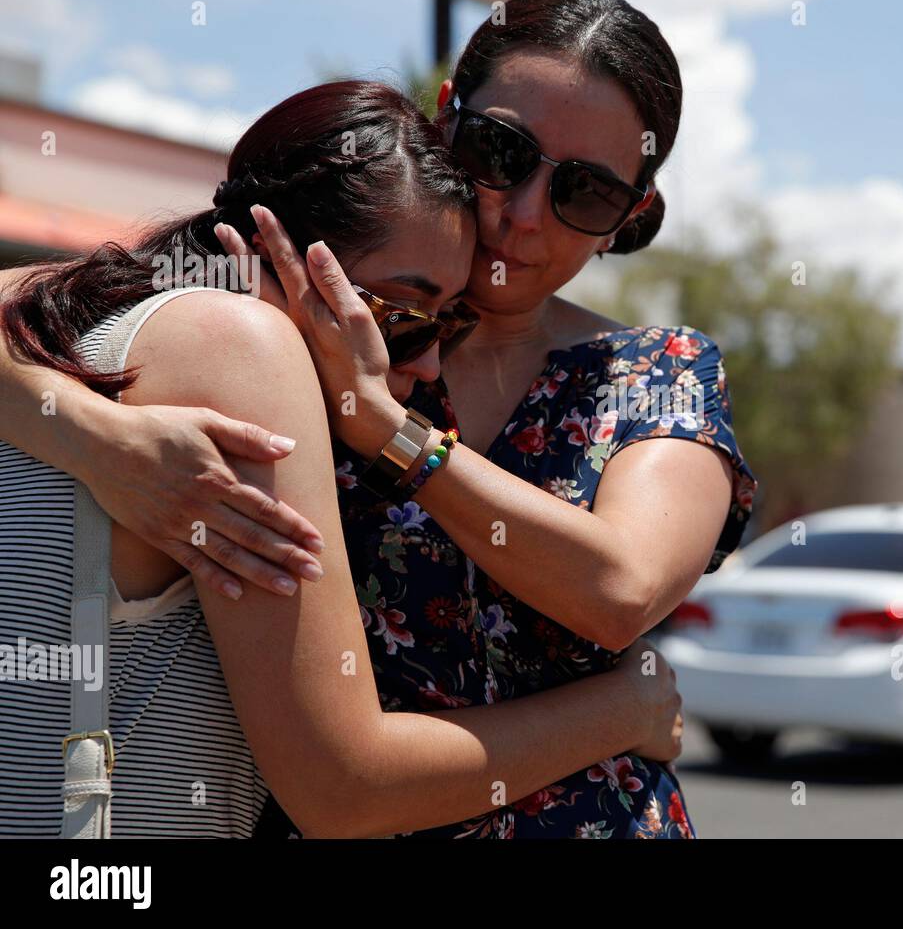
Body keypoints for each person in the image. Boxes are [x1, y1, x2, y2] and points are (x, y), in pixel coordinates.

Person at [0, 78, 681, 838]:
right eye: (400, 317)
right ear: (274, 251)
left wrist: (86, 430)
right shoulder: (245, 353)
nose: (426, 368)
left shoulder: (64, 328)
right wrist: (624, 709)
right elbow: (346, 788)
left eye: (448, 324)